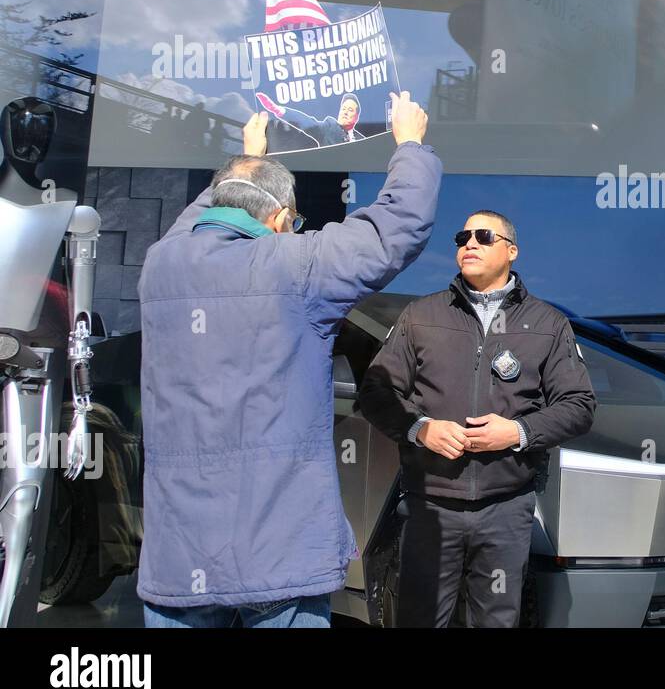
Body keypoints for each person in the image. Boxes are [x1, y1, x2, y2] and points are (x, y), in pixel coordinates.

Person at [136, 91, 440, 627]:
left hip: (179, 558)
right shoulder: (295, 267)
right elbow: (395, 229)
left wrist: (247, 159)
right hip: (278, 558)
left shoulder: (162, 265)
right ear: (280, 219)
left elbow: (203, 219)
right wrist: (410, 146)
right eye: (294, 223)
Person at [358, 210, 596, 627]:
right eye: (462, 236)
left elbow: (578, 405)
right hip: (430, 506)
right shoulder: (422, 316)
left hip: (505, 510)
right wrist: (420, 428)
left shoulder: (547, 324)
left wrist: (518, 432)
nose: (469, 243)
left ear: (512, 251)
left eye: (483, 236)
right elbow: (376, 392)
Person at [256, 90, 367, 146]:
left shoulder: (363, 140)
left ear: (357, 117)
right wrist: (278, 110)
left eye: (350, 110)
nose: (345, 112)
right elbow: (308, 122)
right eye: (343, 109)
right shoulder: (330, 126)